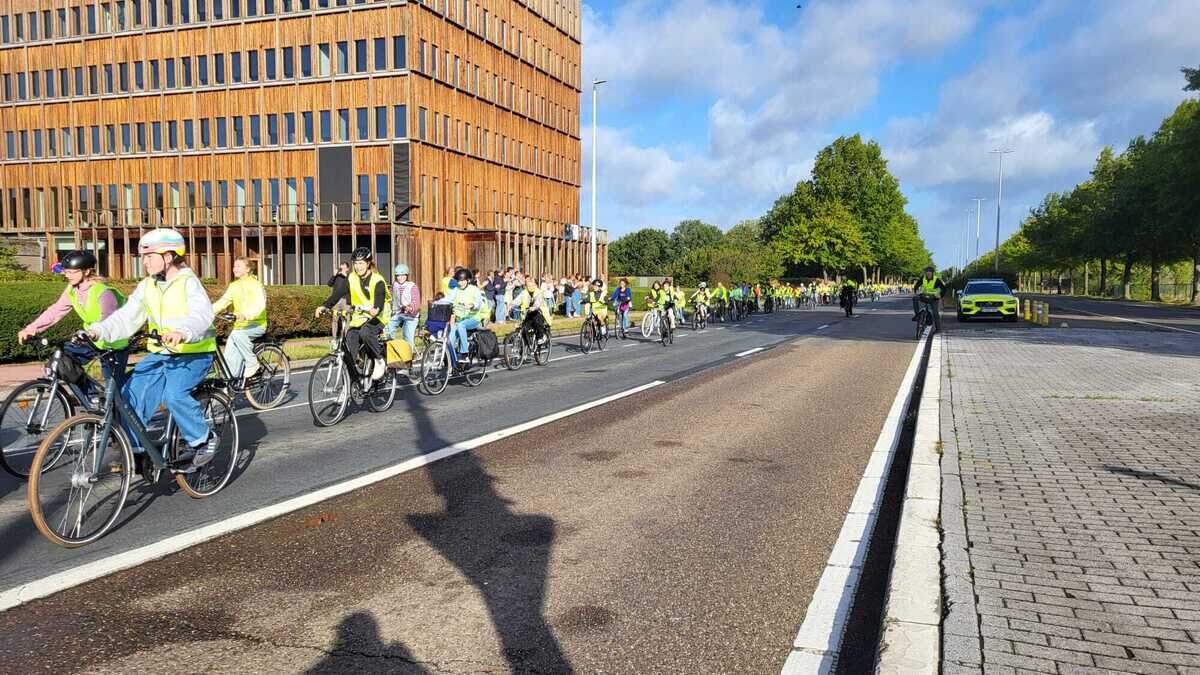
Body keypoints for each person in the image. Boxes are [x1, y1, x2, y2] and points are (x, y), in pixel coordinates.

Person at [87, 228, 219, 471]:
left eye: (149, 256)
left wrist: (183, 332)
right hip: (161, 353)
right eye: (143, 257)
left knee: (173, 396)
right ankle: (137, 452)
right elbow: (127, 316)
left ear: (168, 257)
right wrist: (98, 331)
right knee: (129, 395)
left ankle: (203, 439)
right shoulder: (148, 285)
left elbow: (202, 314)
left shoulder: (188, 282)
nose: (144, 262)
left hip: (193, 354)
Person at [18, 250, 129, 401]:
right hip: (91, 340)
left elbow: (108, 321)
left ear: (87, 271)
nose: (68, 275)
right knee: (63, 363)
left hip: (113, 343)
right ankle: (93, 400)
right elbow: (56, 310)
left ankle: (119, 414)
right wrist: (31, 329)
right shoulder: (72, 290)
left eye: (73, 272)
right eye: (66, 271)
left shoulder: (103, 292)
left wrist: (89, 333)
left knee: (114, 395)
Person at [315, 247, 390, 381]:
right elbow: (338, 294)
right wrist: (325, 306)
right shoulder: (352, 278)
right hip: (360, 317)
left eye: (361, 263)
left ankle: (379, 360)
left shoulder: (377, 280)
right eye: (355, 263)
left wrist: (374, 309)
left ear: (368, 263)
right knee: (350, 338)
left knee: (366, 333)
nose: (358, 266)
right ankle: (353, 380)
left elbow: (379, 302)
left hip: (379, 316)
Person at [212, 257, 268, 379]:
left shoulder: (256, 285)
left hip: (256, 325)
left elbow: (260, 305)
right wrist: (206, 311)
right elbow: (223, 302)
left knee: (237, 335)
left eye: (238, 266)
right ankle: (228, 389)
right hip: (240, 328)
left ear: (247, 269)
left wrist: (246, 315)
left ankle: (252, 363)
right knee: (228, 361)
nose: (234, 269)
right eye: (234, 266)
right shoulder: (234, 286)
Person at [448, 267, 487, 360]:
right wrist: (437, 302)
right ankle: (451, 360)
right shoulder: (456, 289)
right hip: (459, 319)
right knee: (450, 338)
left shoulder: (474, 289)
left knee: (461, 325)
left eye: (463, 281)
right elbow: (449, 299)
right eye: (459, 281)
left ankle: (464, 352)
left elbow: (479, 303)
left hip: (473, 319)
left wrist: (472, 305)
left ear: (467, 280)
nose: (460, 283)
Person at [384, 263, 421, 350]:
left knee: (407, 336)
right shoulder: (395, 285)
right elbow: (392, 297)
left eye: (402, 275)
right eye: (397, 276)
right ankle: (392, 349)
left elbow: (416, 301)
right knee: (388, 328)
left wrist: (410, 307)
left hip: (411, 316)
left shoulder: (412, 286)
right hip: (399, 313)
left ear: (406, 276)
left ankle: (410, 355)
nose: (399, 278)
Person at [913, 266, 947, 332]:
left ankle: (938, 329)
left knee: (935, 313)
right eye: (927, 273)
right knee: (915, 298)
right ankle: (917, 315)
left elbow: (944, 289)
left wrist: (940, 295)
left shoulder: (936, 279)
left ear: (932, 273)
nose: (928, 274)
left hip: (934, 298)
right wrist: (916, 291)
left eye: (929, 273)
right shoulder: (923, 278)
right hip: (924, 296)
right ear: (925, 273)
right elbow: (917, 285)